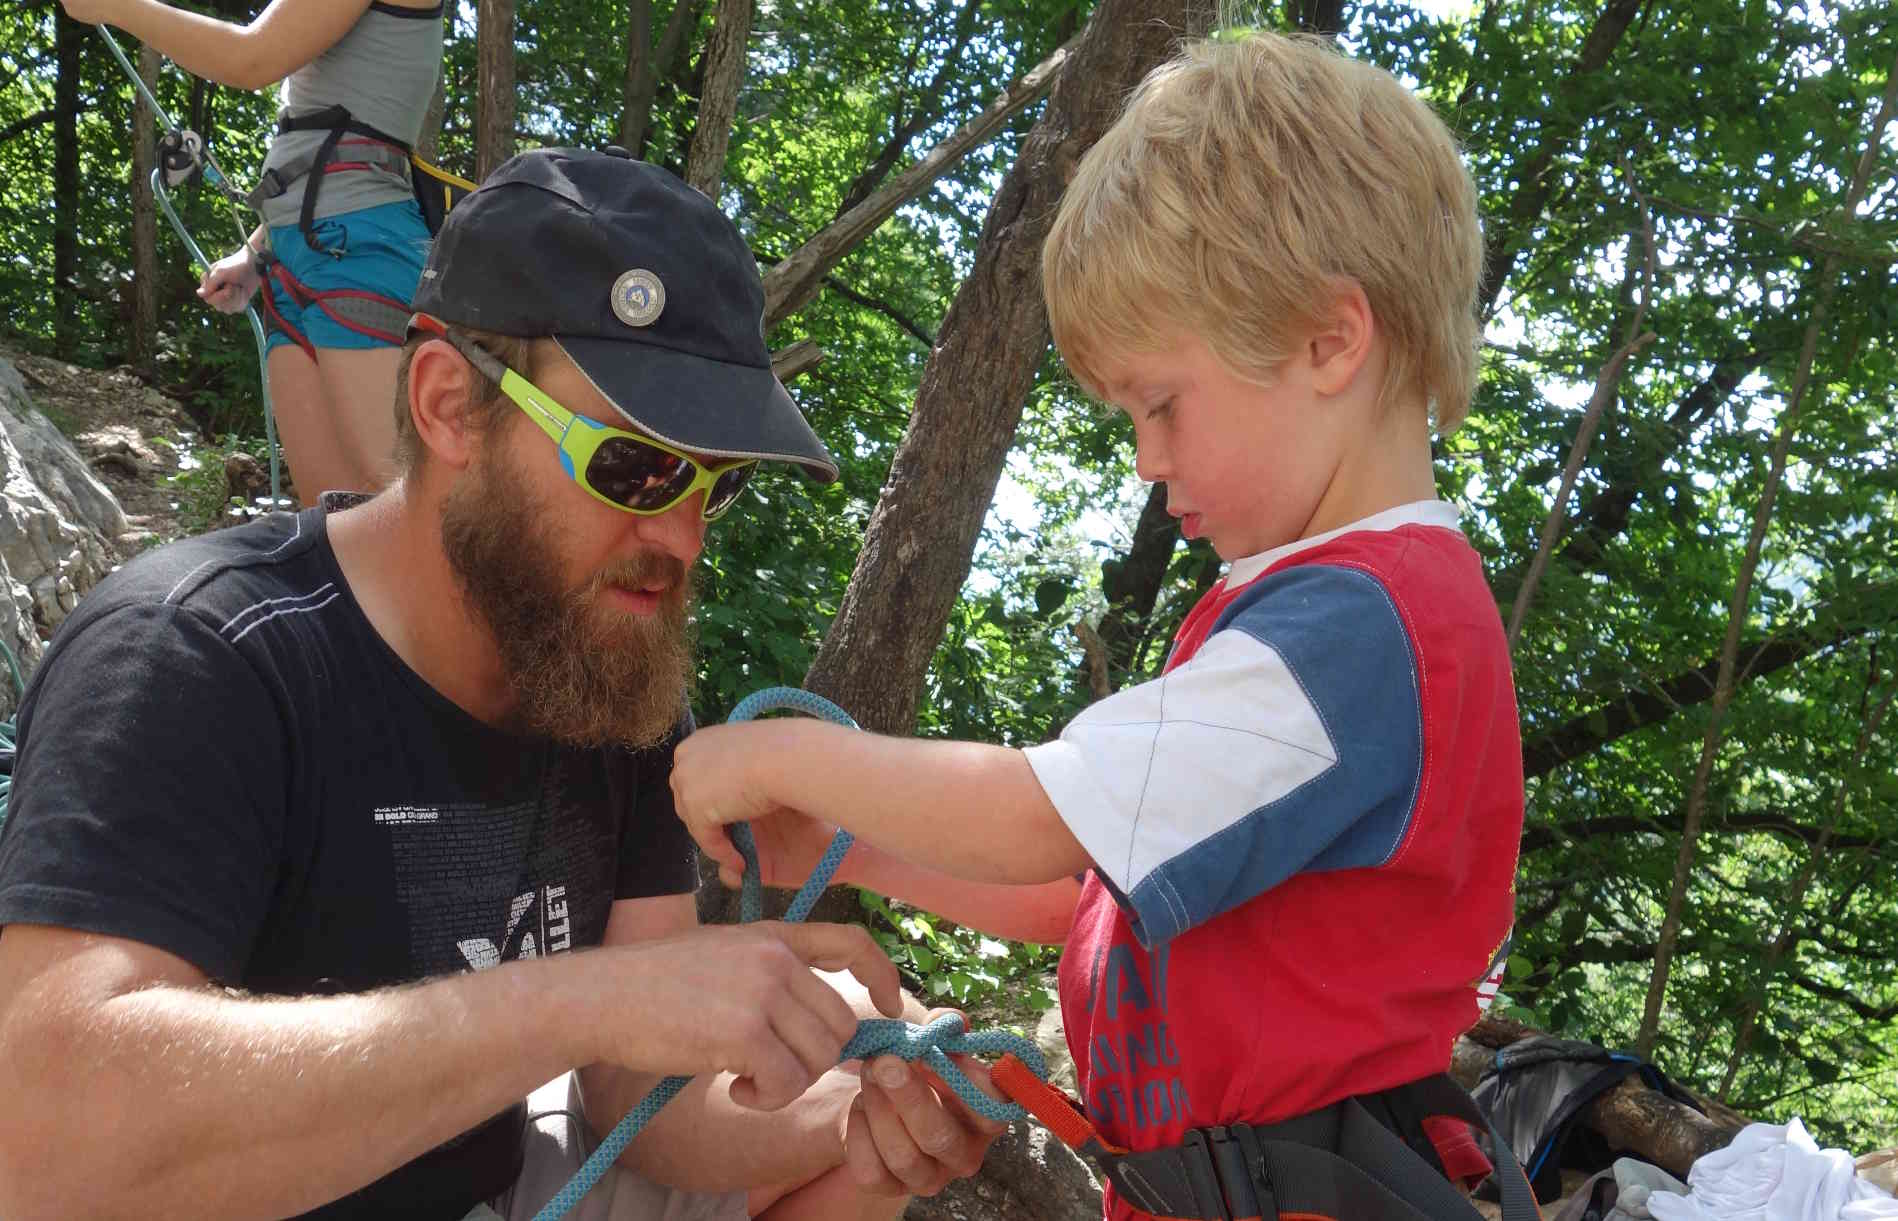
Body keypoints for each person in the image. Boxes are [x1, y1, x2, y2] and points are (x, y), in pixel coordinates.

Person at [0, 148, 1004, 1221]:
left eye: (715, 484)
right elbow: (39, 1144)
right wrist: (582, 1001)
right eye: (636, 465)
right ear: (450, 406)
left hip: (499, 1184)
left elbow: (633, 1088)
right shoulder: (199, 656)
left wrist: (855, 1116)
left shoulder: (604, 667)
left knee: (846, 1131)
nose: (682, 538)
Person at [666, 29, 1525, 1221]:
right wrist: (845, 849)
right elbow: (1093, 891)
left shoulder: (1363, 626)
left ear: (1330, 341)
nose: (1146, 461)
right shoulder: (1323, 615)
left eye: (1160, 404)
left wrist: (780, 757)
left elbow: (1035, 819)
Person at [60, 0, 447, 502]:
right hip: (297, 252)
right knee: (332, 518)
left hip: (359, 249)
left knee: (410, 505)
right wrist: (255, 252)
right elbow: (322, 139)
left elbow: (251, 59)